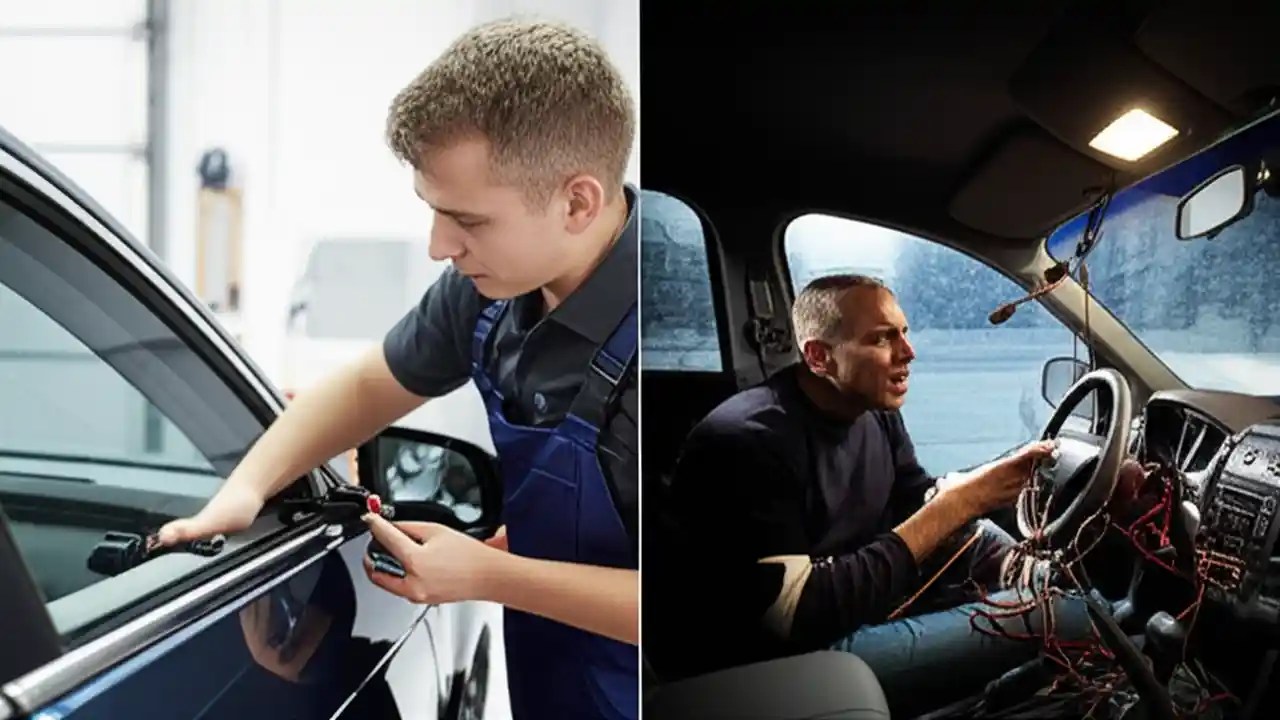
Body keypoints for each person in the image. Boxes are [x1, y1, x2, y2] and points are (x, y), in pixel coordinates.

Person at [157, 18, 639, 720]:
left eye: (466, 221)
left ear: (577, 202)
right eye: (431, 210)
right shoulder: (485, 294)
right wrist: (246, 487)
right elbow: (367, 386)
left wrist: (488, 574)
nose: (440, 245)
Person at [651, 273, 1098, 717]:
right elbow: (793, 617)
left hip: (855, 610)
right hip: (781, 662)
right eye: (883, 339)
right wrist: (961, 502)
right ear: (820, 357)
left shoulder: (872, 411)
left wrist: (1018, 560)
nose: (908, 352)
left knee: (1060, 594)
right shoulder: (745, 441)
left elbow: (916, 505)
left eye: (904, 332)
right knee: (1066, 616)